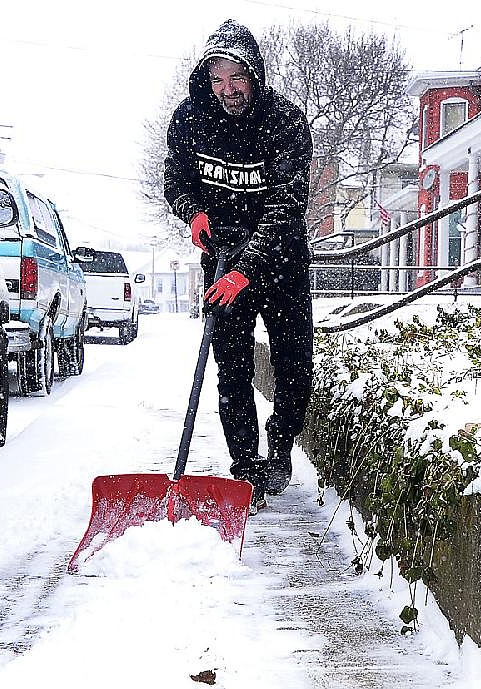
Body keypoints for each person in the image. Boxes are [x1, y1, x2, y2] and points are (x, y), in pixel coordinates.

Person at [164, 19, 314, 513]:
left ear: (255, 74)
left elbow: (287, 207)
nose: (227, 90)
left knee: (293, 367)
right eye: (218, 80)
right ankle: (245, 468)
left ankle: (281, 447)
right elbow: (176, 178)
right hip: (222, 256)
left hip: (279, 260)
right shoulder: (190, 121)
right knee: (230, 369)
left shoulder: (286, 125)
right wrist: (192, 211)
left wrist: (248, 267)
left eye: (237, 78)